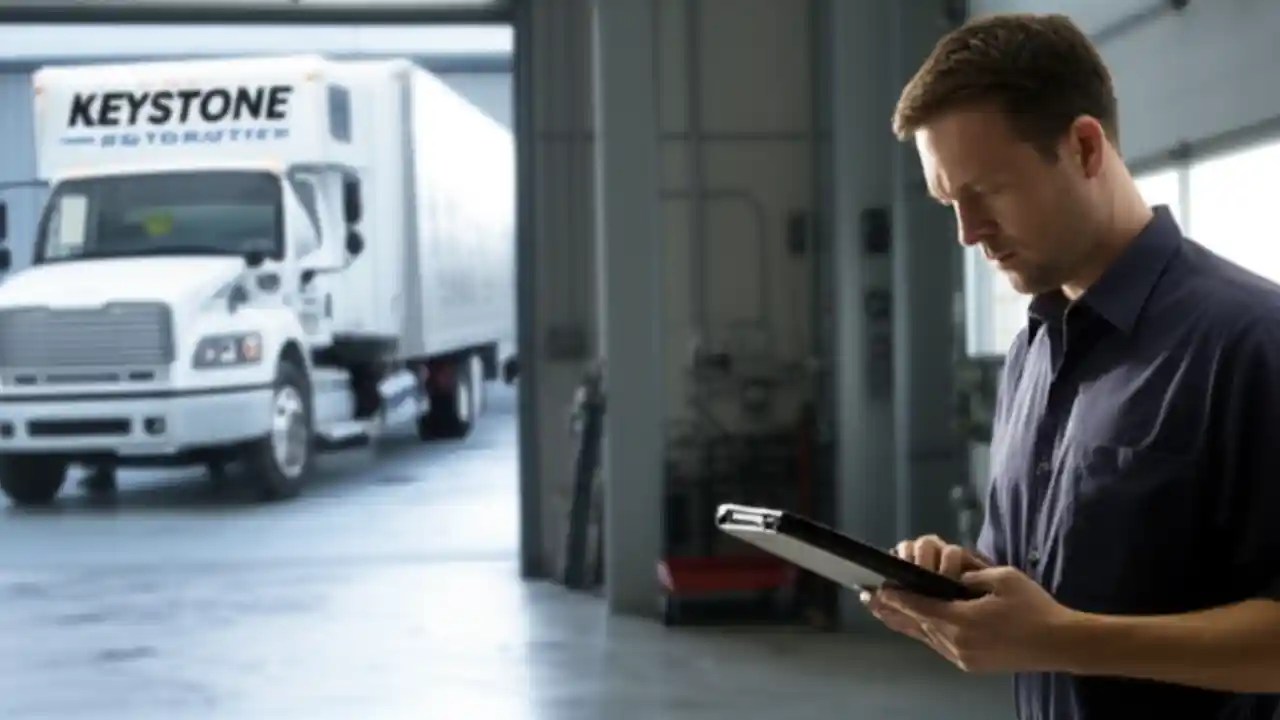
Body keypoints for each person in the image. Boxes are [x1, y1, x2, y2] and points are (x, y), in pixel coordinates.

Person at [863, 11, 1280, 720]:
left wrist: (1060, 639)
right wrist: (958, 580)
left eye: (986, 190)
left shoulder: (1251, 343)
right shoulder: (1033, 352)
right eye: (948, 203)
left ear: (1085, 147)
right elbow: (1039, 579)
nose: (968, 233)